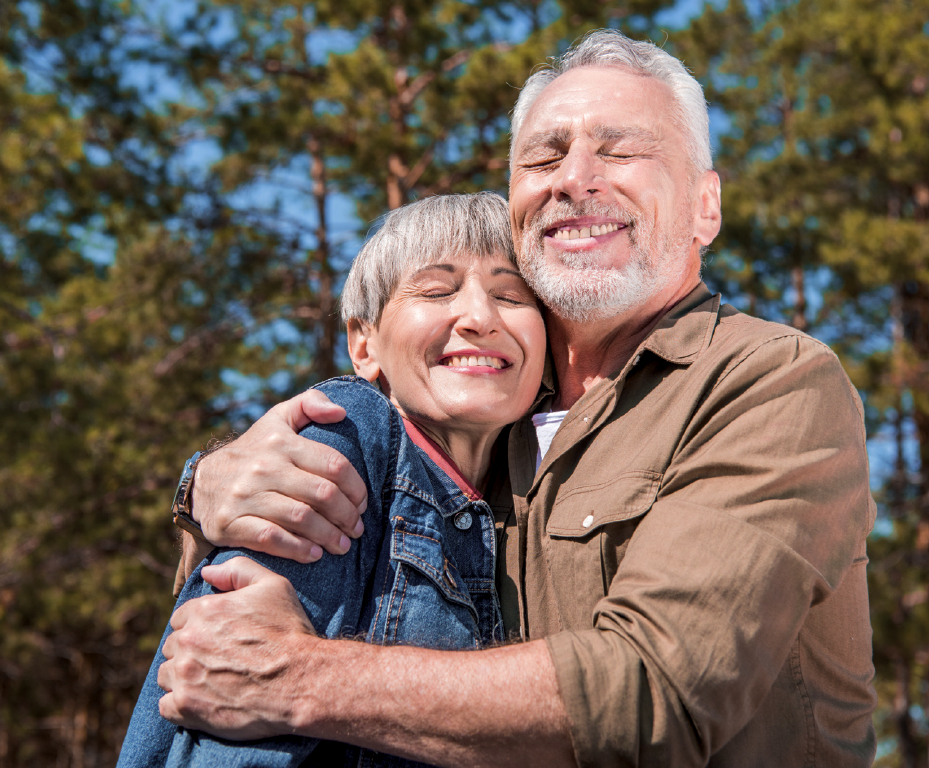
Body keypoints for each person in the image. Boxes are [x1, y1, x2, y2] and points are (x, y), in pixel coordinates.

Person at [153, 30, 878, 767]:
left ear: (705, 206)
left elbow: (654, 695)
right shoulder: (478, 423)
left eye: (621, 150)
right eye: (543, 156)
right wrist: (203, 485)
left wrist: (302, 678)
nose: (575, 178)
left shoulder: (769, 380)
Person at [117, 192, 546, 767]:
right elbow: (233, 716)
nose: (480, 316)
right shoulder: (345, 436)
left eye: (511, 294)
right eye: (437, 290)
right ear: (364, 344)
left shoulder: (524, 501)